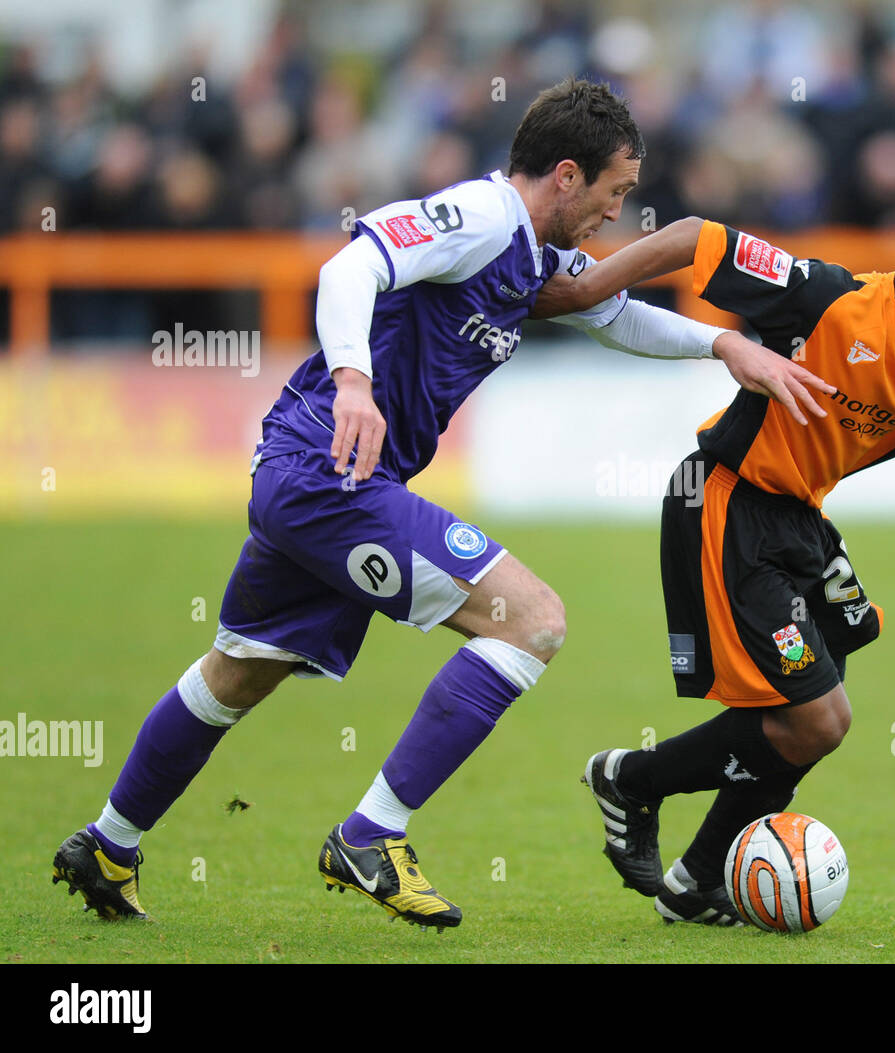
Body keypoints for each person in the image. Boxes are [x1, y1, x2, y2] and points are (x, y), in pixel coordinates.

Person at [51, 78, 831, 930]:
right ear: (566, 176)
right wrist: (354, 378)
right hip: (331, 467)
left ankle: (108, 841)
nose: (615, 214)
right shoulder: (481, 216)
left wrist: (720, 343)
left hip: (321, 475)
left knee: (240, 671)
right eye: (614, 192)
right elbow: (350, 264)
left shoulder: (530, 252)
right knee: (531, 621)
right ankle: (370, 833)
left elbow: (614, 315)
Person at [544, 190, 895, 924]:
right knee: (815, 720)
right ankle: (631, 780)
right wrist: (590, 286)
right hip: (725, 500)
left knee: (810, 727)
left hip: (801, 524)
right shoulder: (829, 299)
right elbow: (697, 235)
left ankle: (693, 882)